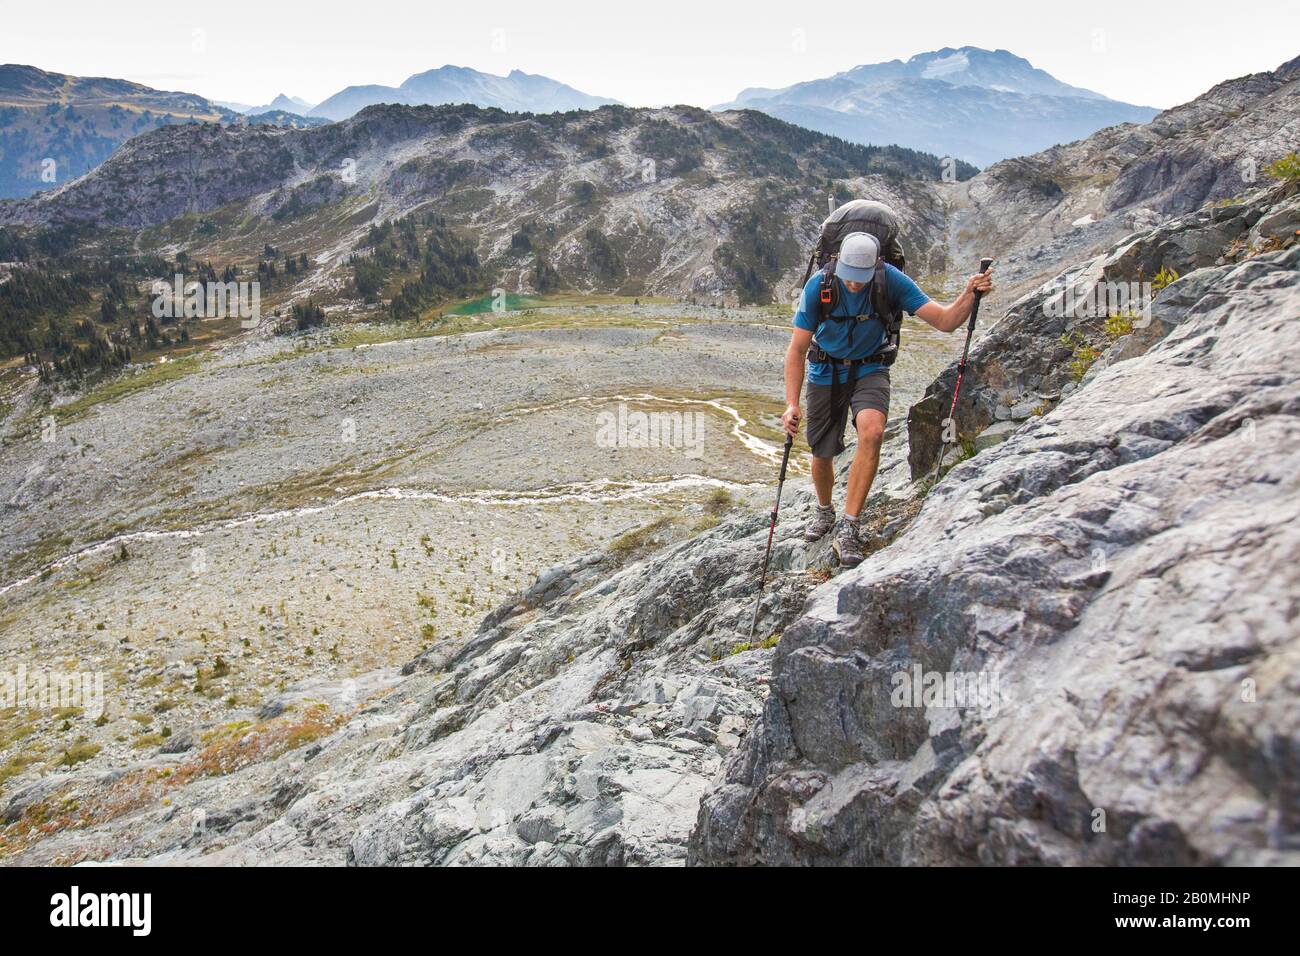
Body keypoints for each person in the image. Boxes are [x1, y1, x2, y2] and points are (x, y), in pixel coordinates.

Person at [780, 232, 994, 567]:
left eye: (860, 280)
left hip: (871, 369)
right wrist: (792, 403)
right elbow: (796, 350)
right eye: (848, 278)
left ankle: (849, 526)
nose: (854, 285)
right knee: (822, 452)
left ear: (875, 267)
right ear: (838, 266)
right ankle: (824, 511)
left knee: (873, 432)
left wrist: (969, 294)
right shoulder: (819, 287)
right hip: (825, 372)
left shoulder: (890, 281)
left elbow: (945, 321)